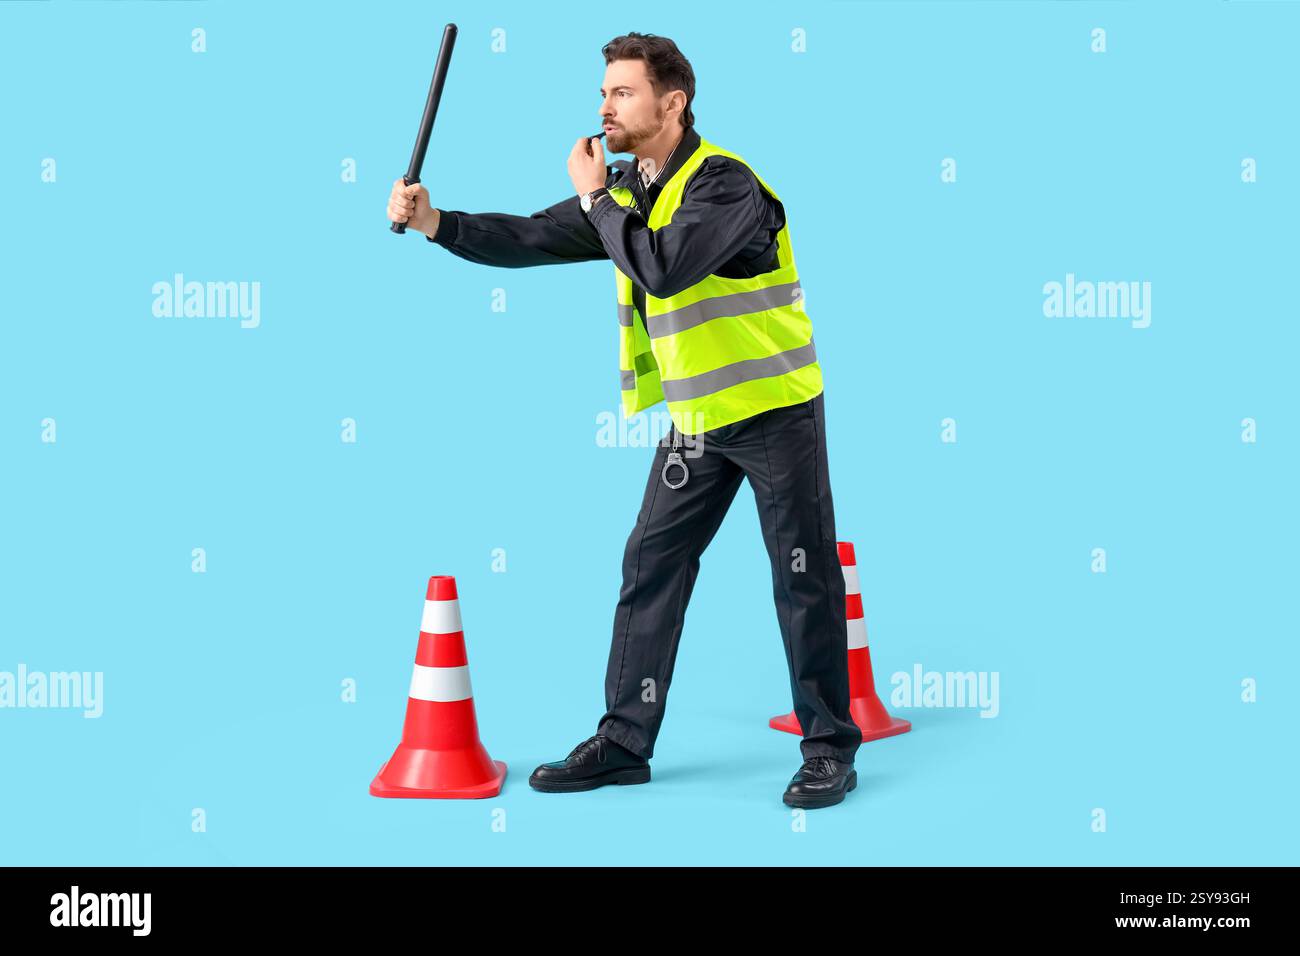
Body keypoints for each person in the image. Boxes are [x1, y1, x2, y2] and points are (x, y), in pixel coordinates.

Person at [387, 32, 861, 808]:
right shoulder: (630, 190)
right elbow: (536, 237)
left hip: (775, 410)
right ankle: (623, 743)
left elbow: (664, 269)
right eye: (603, 91)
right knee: (650, 565)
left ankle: (830, 748)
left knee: (799, 574)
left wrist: (597, 198)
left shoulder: (724, 187)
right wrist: (441, 223)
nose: (604, 106)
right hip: (699, 421)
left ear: (673, 104)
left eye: (622, 92)